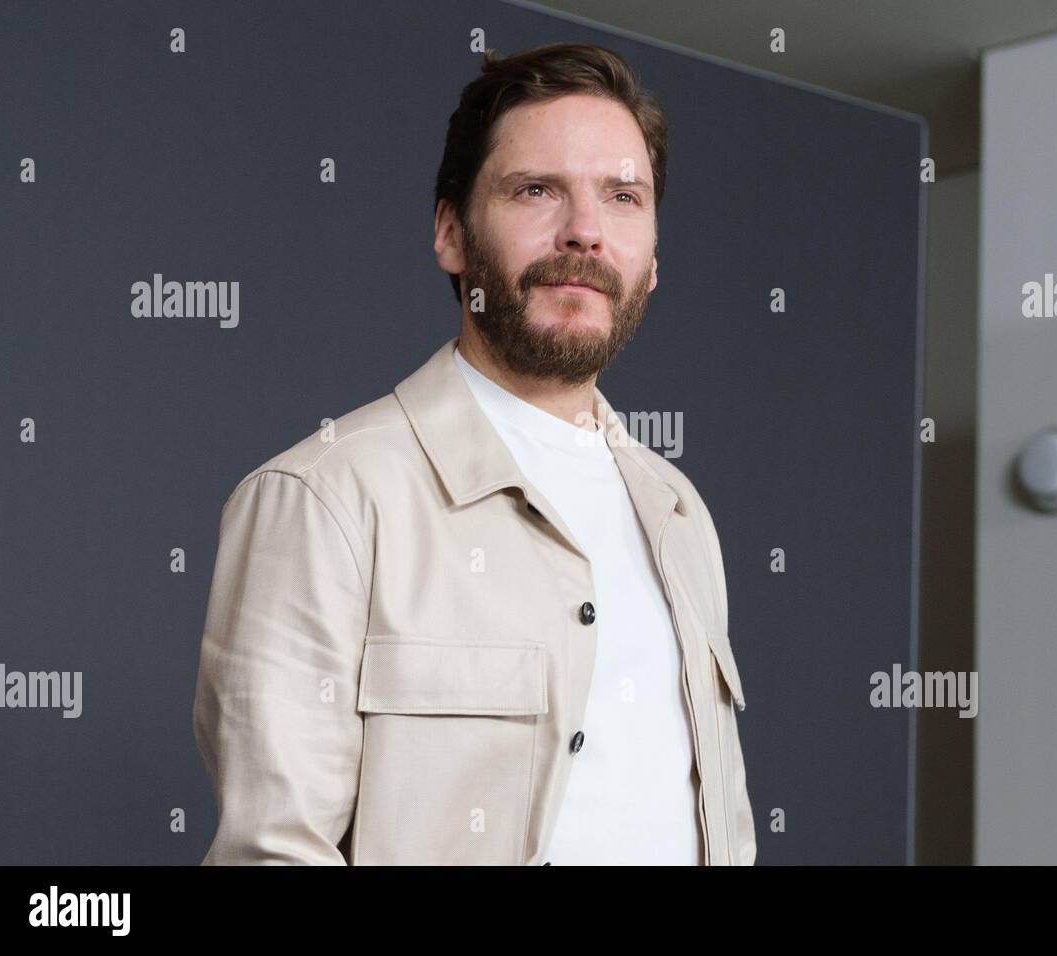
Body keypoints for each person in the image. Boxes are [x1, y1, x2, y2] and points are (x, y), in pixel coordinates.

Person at [193, 41, 755, 865]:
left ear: (655, 258)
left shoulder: (680, 513)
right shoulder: (323, 498)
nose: (586, 232)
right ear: (452, 234)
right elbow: (273, 854)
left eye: (623, 197)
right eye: (537, 190)